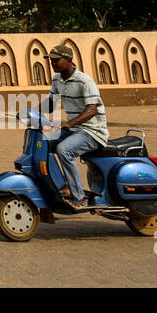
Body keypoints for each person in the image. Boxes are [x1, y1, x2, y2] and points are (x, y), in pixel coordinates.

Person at [44, 44, 108, 207]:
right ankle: (62, 186)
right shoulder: (57, 79)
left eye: (56, 60)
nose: (52, 64)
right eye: (51, 61)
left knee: (64, 150)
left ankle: (78, 197)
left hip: (93, 132)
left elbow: (92, 109)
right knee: (43, 144)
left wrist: (69, 123)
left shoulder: (84, 81)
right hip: (74, 130)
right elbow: (51, 102)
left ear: (68, 60)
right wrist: (29, 112)